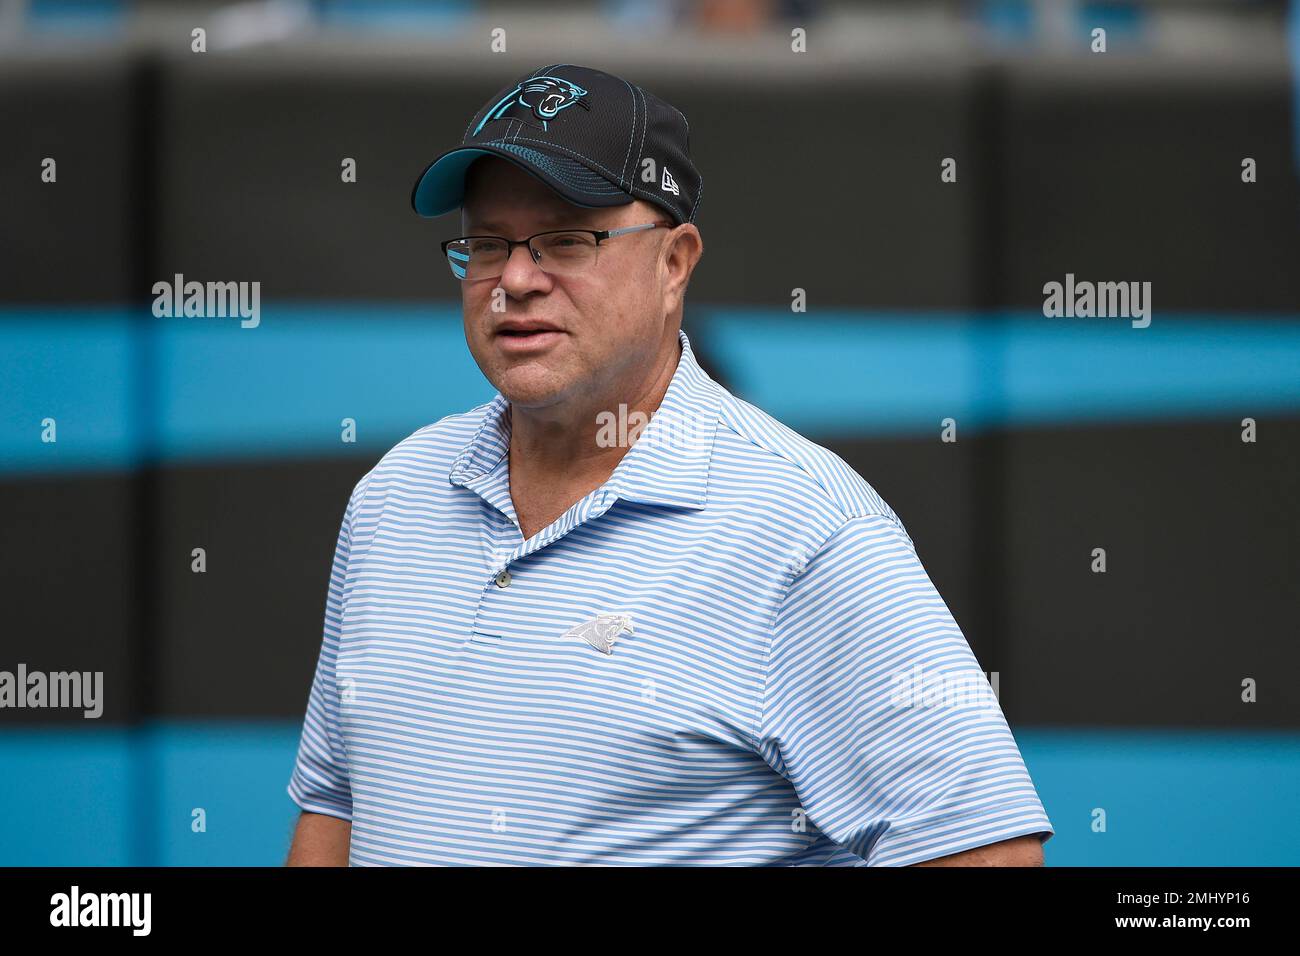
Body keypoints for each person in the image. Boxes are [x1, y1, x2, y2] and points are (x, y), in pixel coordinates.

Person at [285, 63, 1053, 866]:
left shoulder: (809, 530)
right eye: (487, 243)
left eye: (565, 239)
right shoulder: (392, 496)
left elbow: (985, 853)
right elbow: (337, 808)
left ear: (675, 262)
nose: (514, 279)